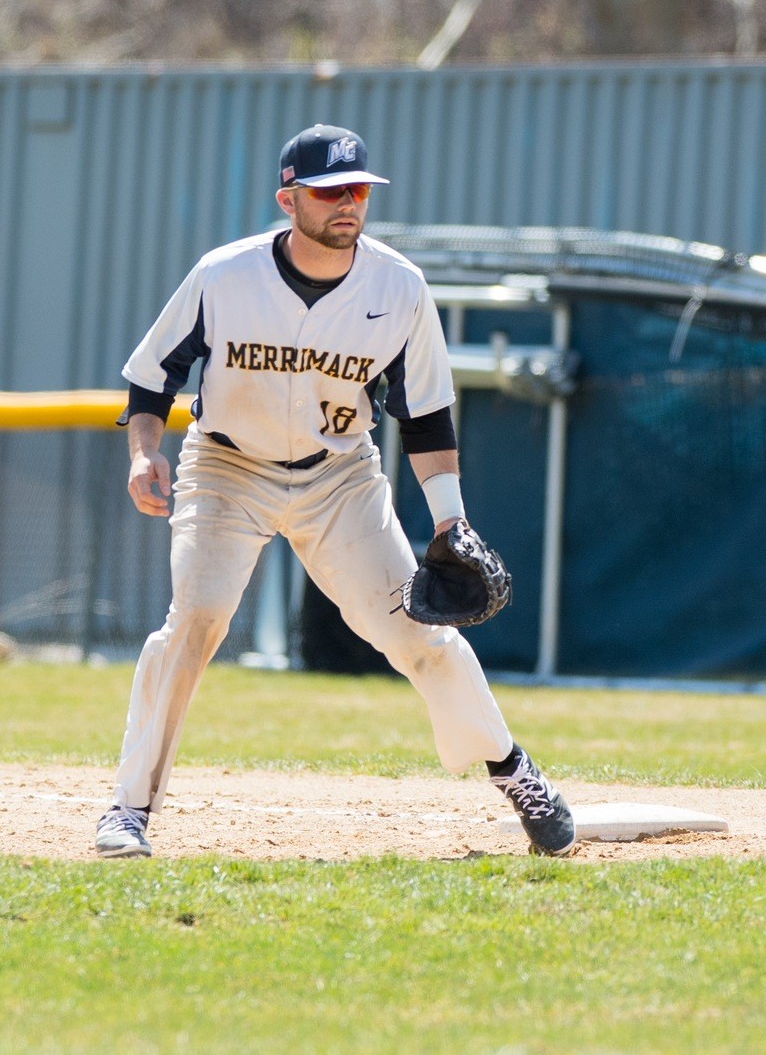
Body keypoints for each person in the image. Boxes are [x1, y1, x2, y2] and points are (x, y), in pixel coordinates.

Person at [95, 124, 576, 859]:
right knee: (195, 620)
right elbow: (150, 373)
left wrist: (450, 521)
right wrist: (141, 453)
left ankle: (513, 771)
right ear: (289, 200)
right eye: (329, 192)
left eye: (357, 189)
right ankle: (129, 808)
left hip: (338, 479)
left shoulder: (398, 286)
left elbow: (424, 415)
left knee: (420, 636)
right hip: (227, 469)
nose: (348, 203)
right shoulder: (224, 275)